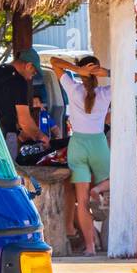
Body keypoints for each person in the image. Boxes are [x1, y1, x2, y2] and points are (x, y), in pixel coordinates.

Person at [49, 54, 111, 256]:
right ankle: (99, 189)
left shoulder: (73, 88)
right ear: (97, 72)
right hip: (98, 144)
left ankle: (90, 248)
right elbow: (134, 77)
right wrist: (107, 73)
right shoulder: (106, 92)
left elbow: (54, 62)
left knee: (81, 202)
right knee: (116, 180)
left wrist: (77, 71)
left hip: (77, 144)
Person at [0, 48, 48, 159]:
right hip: (4, 135)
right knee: (8, 173)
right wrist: (41, 137)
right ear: (28, 66)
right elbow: (25, 121)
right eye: (33, 72)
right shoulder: (19, 82)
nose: (31, 77)